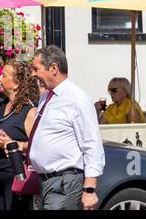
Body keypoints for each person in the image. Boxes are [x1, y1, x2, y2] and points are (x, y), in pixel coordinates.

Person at [28, 45, 105, 210]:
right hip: (45, 183)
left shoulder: (78, 99)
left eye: (36, 69)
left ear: (53, 68)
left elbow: (92, 145)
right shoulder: (46, 97)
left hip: (63, 184)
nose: (33, 74)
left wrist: (89, 189)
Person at [0, 59, 41, 210]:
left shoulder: (29, 111)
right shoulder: (1, 106)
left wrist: (12, 143)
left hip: (16, 179)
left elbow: (39, 147)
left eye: (3, 75)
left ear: (16, 83)